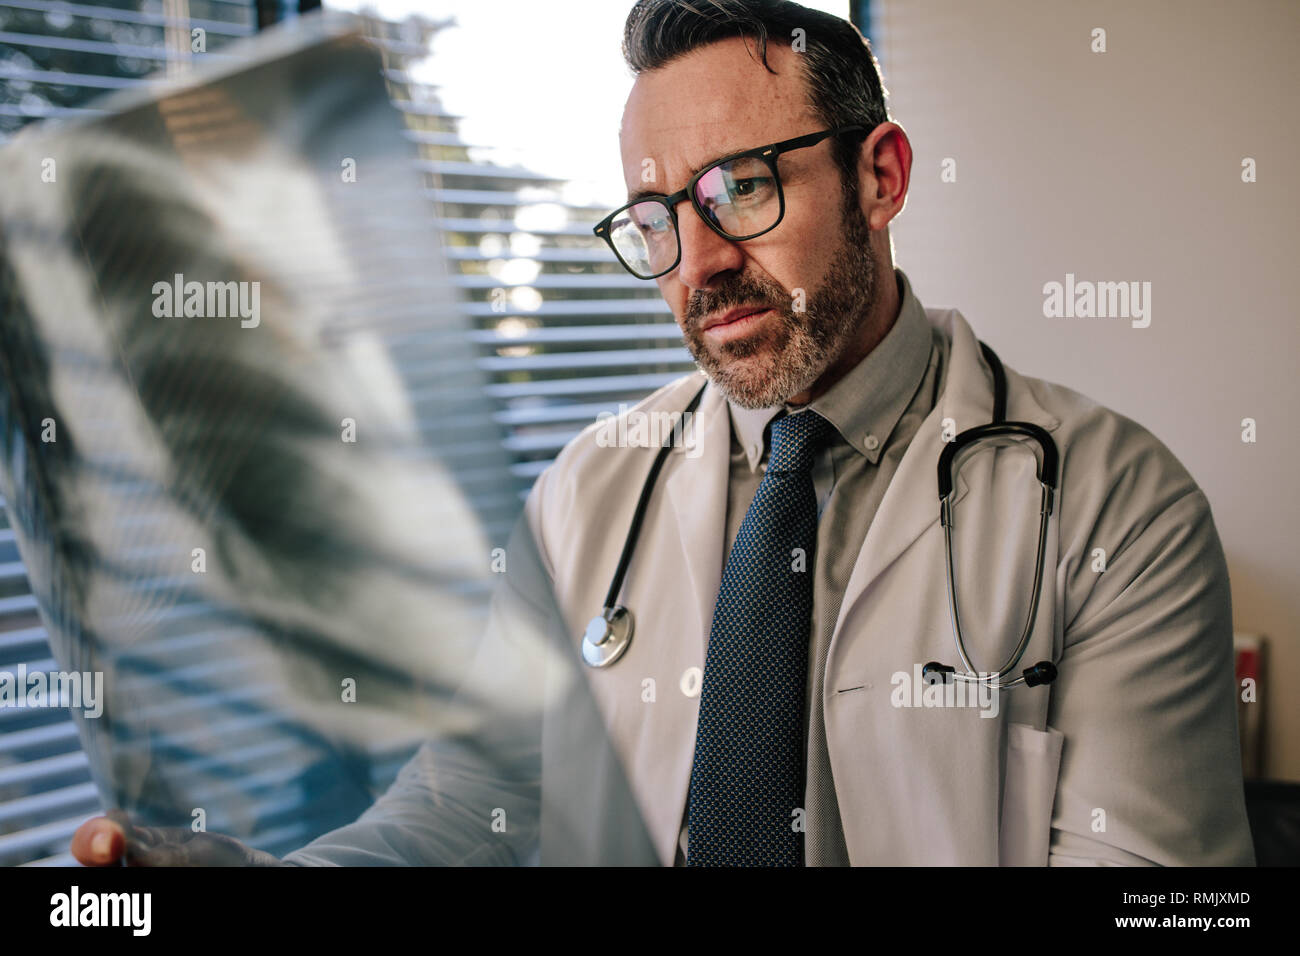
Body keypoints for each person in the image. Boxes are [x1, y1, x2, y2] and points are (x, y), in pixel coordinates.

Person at [72, 0, 1254, 867]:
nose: (700, 263)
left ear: (880, 175)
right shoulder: (587, 493)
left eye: (743, 186)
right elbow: (473, 802)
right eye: (656, 217)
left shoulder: (1113, 506)